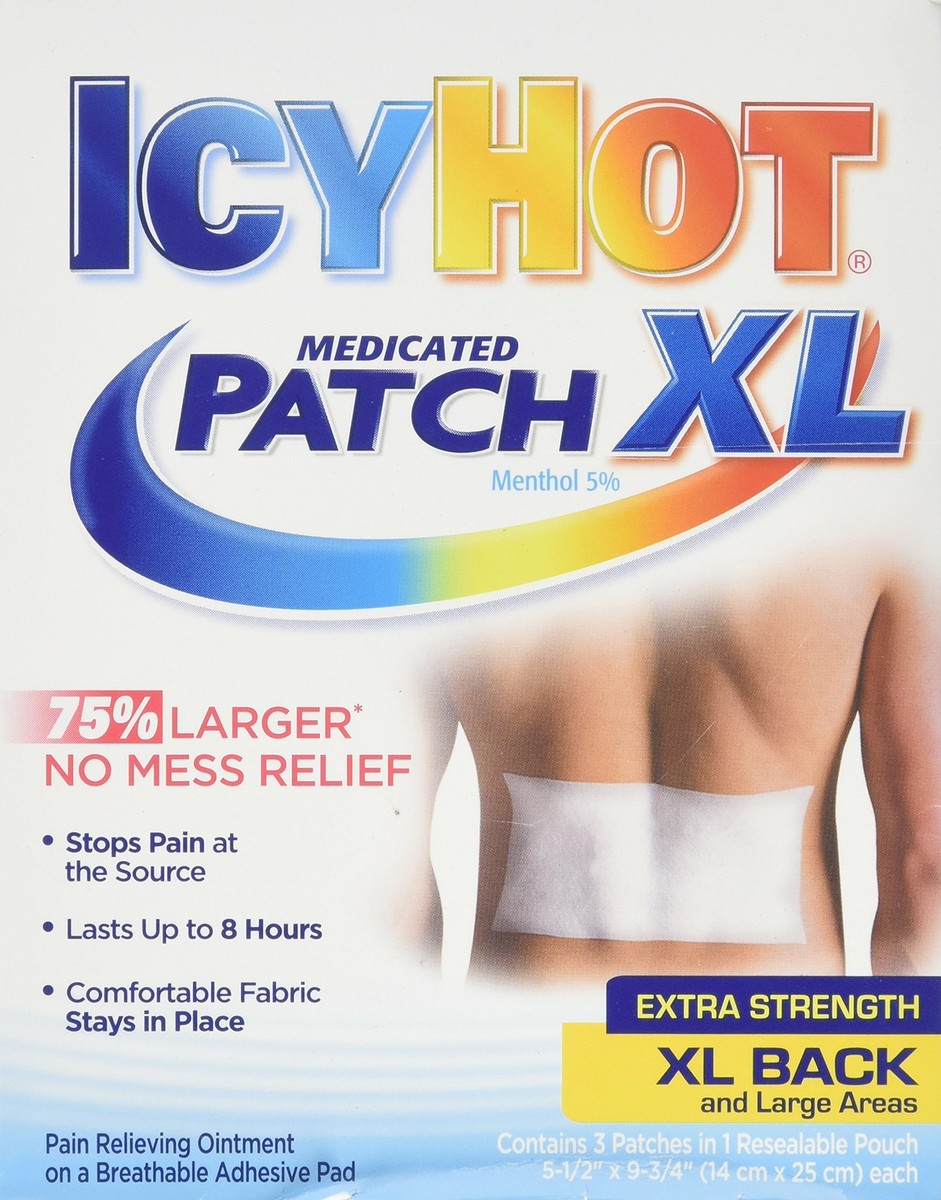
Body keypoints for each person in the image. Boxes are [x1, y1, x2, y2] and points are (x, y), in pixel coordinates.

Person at [432, 552, 941, 981]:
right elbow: (924, 853)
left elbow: (394, 871)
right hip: (764, 1017)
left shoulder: (458, 546)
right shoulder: (870, 524)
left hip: (534, 1010)